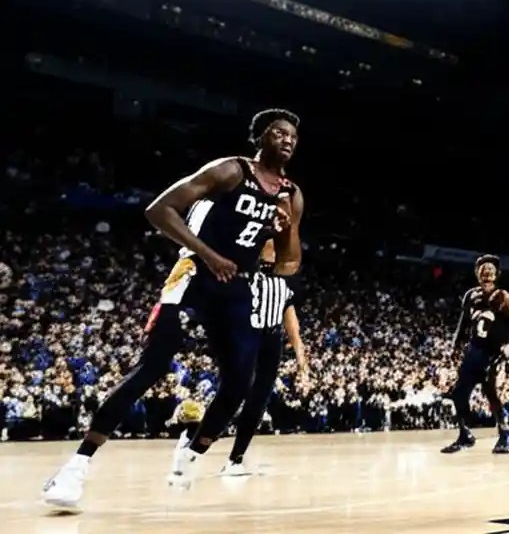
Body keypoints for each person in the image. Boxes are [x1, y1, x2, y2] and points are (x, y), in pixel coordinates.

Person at [41, 109, 304, 510]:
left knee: (240, 382)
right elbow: (159, 210)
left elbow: (288, 264)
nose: (287, 139)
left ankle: (193, 450)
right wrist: (209, 255)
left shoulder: (292, 193)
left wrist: (288, 228)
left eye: (293, 136)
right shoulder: (230, 170)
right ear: (261, 137)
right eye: (278, 132)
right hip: (195, 272)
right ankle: (75, 467)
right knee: (153, 367)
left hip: (237, 286)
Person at [215, 238, 310, 476]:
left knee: (258, 402)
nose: (277, 249)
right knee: (233, 395)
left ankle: (235, 459)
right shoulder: (246, 274)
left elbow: (291, 322)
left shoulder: (285, 283)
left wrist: (302, 359)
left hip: (271, 341)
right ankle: (199, 441)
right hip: (247, 336)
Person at [442, 255, 509, 455]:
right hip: (474, 349)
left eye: (490, 270)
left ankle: (504, 434)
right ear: (477, 273)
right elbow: (463, 324)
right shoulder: (470, 295)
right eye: (482, 269)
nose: (486, 273)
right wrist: (455, 347)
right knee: (459, 393)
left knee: (491, 393)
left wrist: (508, 349)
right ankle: (465, 435)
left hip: (494, 350)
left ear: (496, 274)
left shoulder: (505, 298)